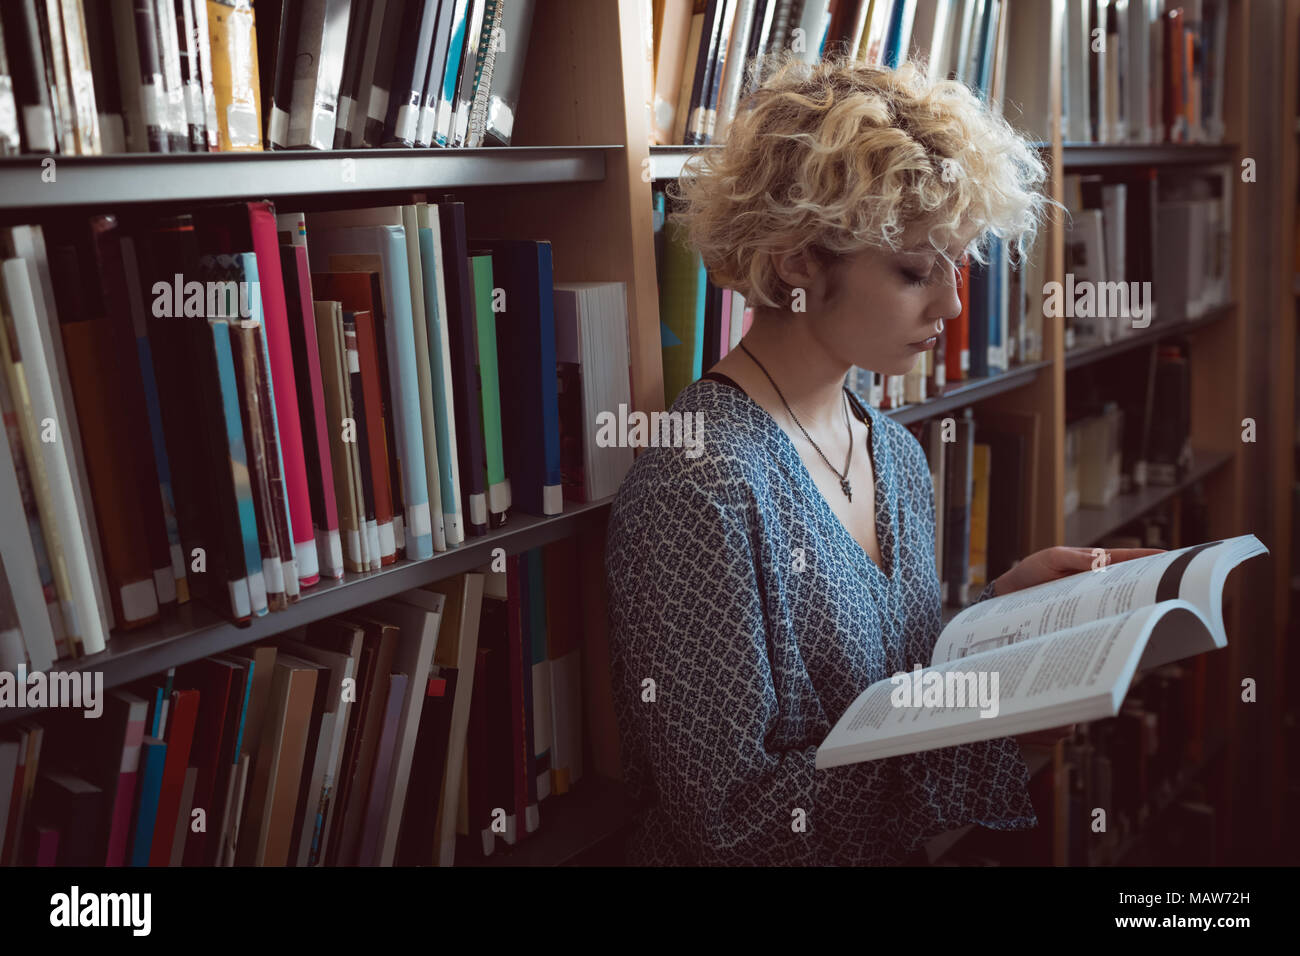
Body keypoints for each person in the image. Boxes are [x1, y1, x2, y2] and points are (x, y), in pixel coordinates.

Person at [605, 53, 1158, 866]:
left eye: (957, 267)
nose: (952, 306)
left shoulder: (891, 450)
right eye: (912, 272)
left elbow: (886, 691)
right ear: (798, 260)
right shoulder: (703, 481)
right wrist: (982, 721)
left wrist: (994, 616)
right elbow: (734, 826)